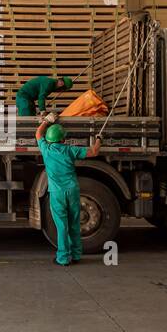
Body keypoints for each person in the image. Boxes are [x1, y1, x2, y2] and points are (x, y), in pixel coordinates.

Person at [36, 112, 101, 266]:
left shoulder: (46, 149)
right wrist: (99, 139)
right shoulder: (70, 150)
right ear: (63, 139)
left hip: (57, 193)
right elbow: (94, 151)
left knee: (62, 226)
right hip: (72, 190)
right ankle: (77, 254)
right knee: (74, 223)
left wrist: (46, 121)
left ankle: (63, 258)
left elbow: (38, 133)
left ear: (49, 139)